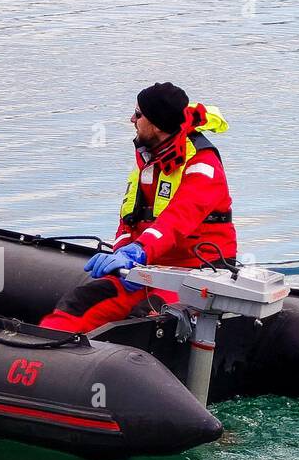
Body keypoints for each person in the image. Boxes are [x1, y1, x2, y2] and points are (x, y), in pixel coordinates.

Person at [39, 81, 237, 332]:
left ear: (156, 125)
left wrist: (139, 252)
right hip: (147, 268)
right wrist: (123, 255)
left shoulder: (203, 165)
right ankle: (46, 344)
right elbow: (128, 219)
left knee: (145, 319)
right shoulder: (150, 159)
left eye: (138, 114)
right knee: (80, 303)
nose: (132, 119)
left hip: (196, 273)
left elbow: (177, 220)